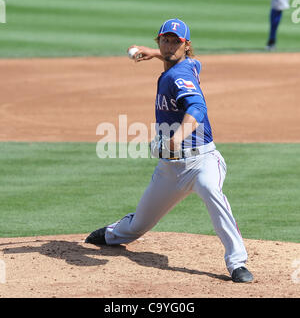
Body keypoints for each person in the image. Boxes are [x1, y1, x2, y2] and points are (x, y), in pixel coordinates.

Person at [85, 18, 254, 283]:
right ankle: (111, 235)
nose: (170, 45)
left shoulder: (179, 76)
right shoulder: (190, 64)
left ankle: (237, 262)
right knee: (139, 223)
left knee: (212, 192)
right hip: (170, 169)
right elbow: (178, 58)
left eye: (176, 41)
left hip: (202, 162)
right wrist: (152, 54)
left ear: (187, 45)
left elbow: (197, 108)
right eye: (165, 40)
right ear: (159, 41)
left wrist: (177, 137)